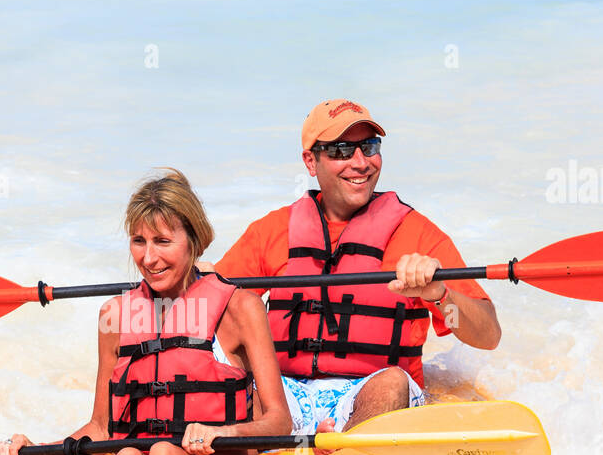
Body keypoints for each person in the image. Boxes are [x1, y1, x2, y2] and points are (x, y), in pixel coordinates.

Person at [209, 98, 501, 436]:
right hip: (283, 398)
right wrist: (194, 280)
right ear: (310, 160)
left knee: (391, 384)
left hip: (371, 395)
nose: (360, 163)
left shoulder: (420, 234)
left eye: (370, 146)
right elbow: (207, 314)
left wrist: (440, 295)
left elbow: (488, 335)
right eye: (342, 150)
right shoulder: (272, 230)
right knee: (221, 332)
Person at [0, 169, 290, 455]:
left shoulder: (239, 309)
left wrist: (224, 433)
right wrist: (40, 452)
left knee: (164, 453)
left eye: (162, 241)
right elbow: (101, 427)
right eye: (139, 241)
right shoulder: (116, 315)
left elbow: (279, 422)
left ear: (193, 239)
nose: (148, 258)